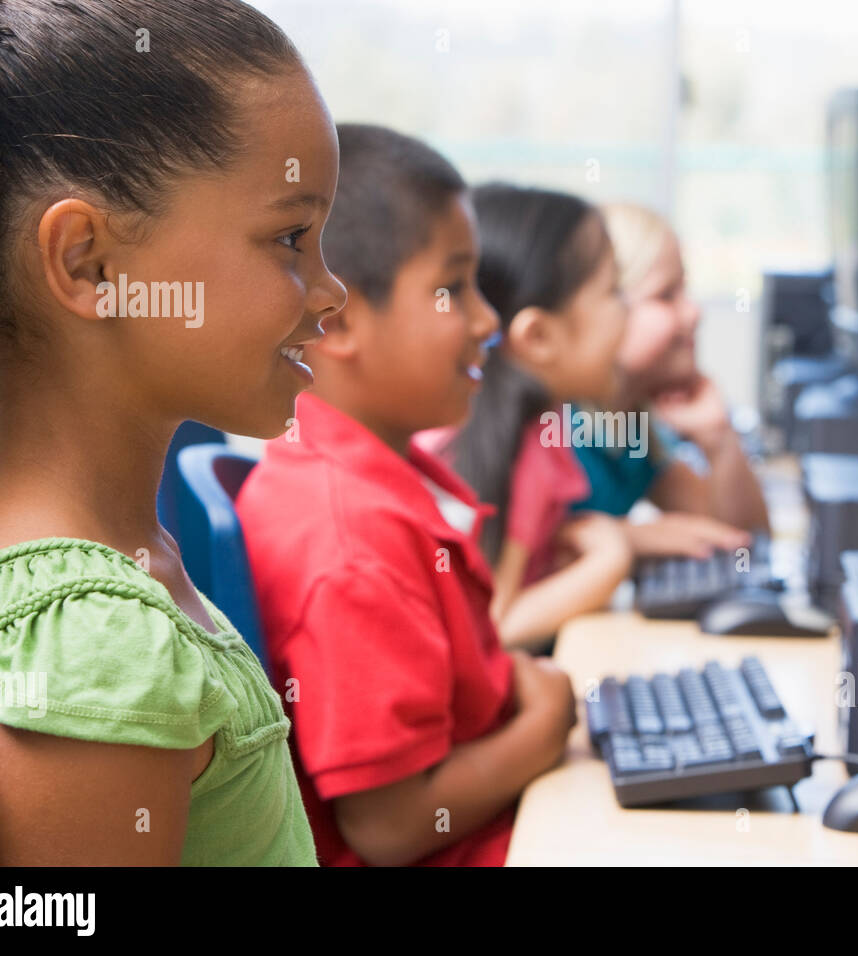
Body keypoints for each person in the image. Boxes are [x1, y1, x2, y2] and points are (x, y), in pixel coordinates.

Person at [0, 0, 344, 864]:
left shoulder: (110, 575)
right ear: (88, 263)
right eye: (290, 237)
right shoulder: (91, 643)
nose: (330, 290)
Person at [237, 126, 577, 866]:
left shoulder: (377, 479)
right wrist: (543, 727)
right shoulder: (352, 542)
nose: (489, 321)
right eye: (453, 288)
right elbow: (389, 827)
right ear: (342, 318)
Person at [423, 184, 634, 650]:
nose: (629, 310)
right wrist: (611, 560)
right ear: (538, 336)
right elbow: (492, 632)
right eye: (614, 290)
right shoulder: (518, 446)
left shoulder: (519, 428)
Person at [574, 203, 769, 560]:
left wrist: (719, 438)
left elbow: (740, 542)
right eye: (666, 295)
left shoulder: (630, 423)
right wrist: (631, 538)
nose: (694, 313)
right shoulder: (555, 419)